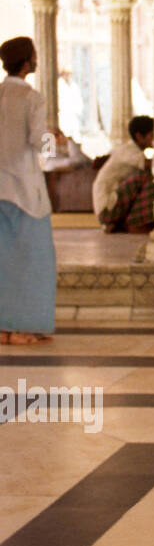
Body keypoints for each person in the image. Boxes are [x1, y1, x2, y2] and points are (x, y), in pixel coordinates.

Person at [0, 37, 56, 345]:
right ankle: (24, 327)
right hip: (25, 190)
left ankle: (4, 327)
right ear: (26, 63)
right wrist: (54, 140)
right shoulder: (32, 98)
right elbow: (38, 140)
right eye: (33, 55)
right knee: (34, 259)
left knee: (4, 258)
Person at [93, 115, 154, 234]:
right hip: (107, 208)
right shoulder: (129, 150)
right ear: (139, 137)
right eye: (152, 135)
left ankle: (124, 224)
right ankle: (137, 224)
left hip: (113, 205)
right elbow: (150, 165)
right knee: (150, 176)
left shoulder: (130, 150)